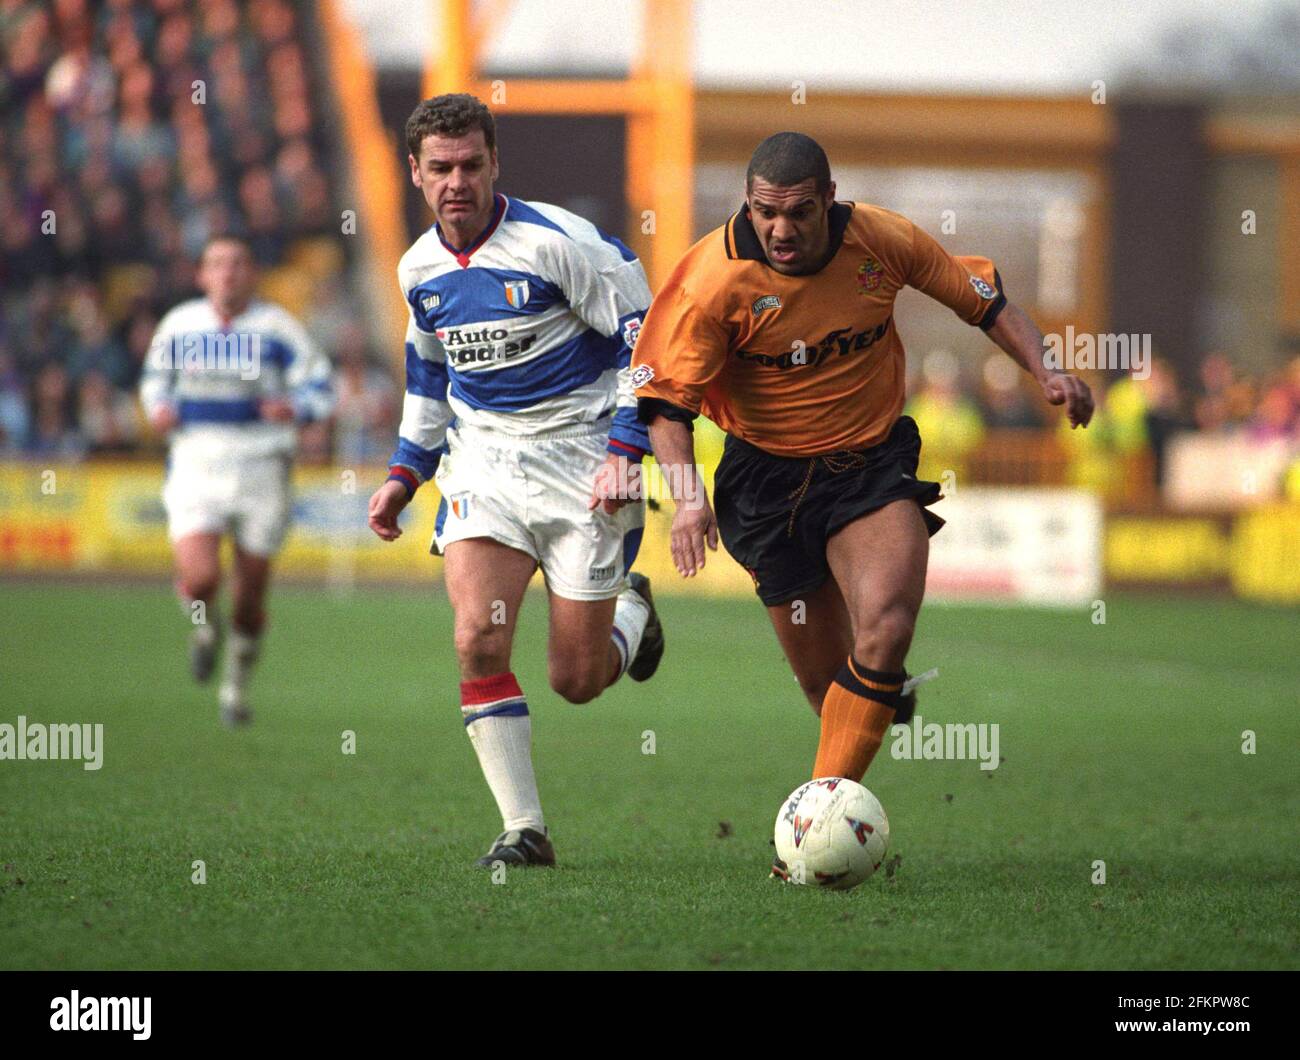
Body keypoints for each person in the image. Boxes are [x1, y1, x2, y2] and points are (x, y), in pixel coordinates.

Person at [630, 132, 1094, 877]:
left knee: (884, 629)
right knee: (827, 683)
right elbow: (664, 406)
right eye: (765, 213)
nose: (781, 230)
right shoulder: (711, 280)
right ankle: (874, 704)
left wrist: (1048, 371)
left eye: (799, 213)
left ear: (830, 200)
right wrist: (687, 501)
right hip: (764, 485)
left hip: (869, 468)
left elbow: (984, 303)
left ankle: (809, 841)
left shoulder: (884, 240)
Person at [366, 94, 664, 870]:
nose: (456, 181)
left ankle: (631, 615)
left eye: (471, 165)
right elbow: (428, 373)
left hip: (584, 461)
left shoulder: (564, 243)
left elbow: (651, 339)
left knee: (577, 678)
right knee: (477, 637)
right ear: (415, 174)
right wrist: (405, 472)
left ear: (495, 163)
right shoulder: (417, 270)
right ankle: (524, 829)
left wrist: (628, 449)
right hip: (486, 465)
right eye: (441, 168)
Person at [139, 234, 335, 726]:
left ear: (251, 274)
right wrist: (157, 408)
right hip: (196, 461)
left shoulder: (277, 328)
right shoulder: (179, 326)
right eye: (216, 264)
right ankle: (205, 631)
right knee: (201, 577)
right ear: (202, 275)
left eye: (237, 264)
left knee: (249, 598)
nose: (227, 273)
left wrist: (297, 408)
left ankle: (234, 692)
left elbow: (321, 385)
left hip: (262, 466)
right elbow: (153, 382)